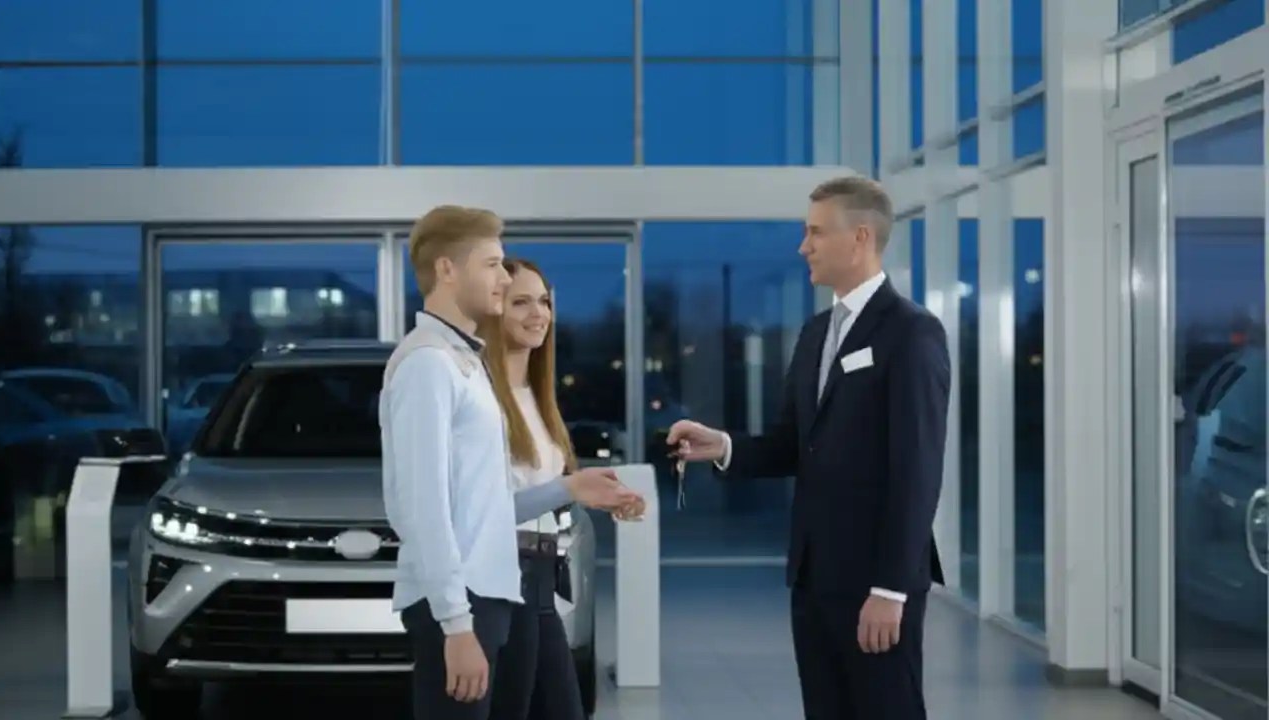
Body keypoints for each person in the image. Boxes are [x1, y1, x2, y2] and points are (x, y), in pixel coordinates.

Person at [667, 177, 949, 720]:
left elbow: (918, 471)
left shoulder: (912, 333)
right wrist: (722, 446)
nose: (804, 247)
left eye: (816, 233)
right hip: (814, 580)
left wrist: (890, 589)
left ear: (860, 237)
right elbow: (794, 445)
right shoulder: (818, 332)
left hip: (876, 583)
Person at [380, 206, 644, 720]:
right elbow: (425, 510)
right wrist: (456, 624)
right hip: (465, 601)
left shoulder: (461, 363)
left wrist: (572, 489)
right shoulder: (428, 364)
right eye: (493, 265)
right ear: (447, 270)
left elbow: (484, 503)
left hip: (492, 594)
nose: (503, 278)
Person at [479, 257, 639, 719]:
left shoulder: (535, 395)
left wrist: (604, 496)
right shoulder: (478, 398)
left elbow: (549, 491)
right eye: (521, 302)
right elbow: (483, 511)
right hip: (500, 583)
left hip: (541, 578)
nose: (539, 313)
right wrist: (571, 486)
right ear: (493, 309)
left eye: (544, 301)